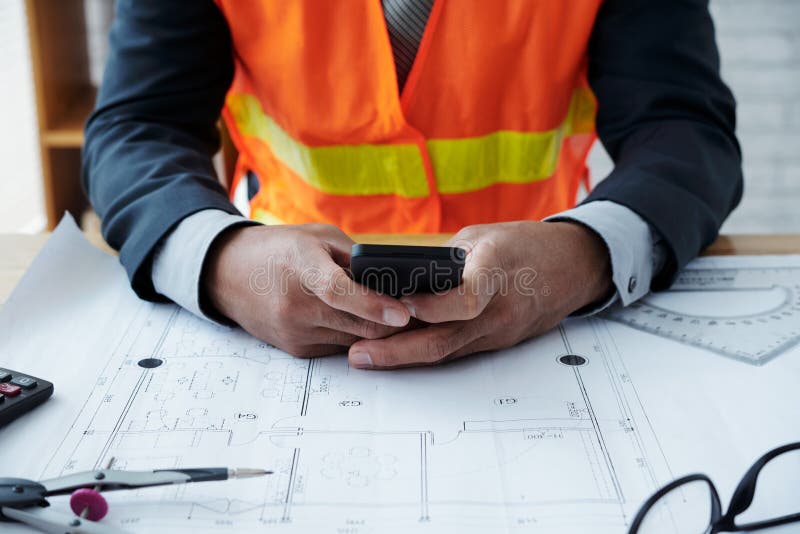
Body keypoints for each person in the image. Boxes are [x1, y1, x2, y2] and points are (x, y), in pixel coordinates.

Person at [82, 0, 742, 369]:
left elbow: (685, 132)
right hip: (278, 307)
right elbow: (137, 126)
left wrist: (586, 254)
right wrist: (221, 261)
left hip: (543, 311)